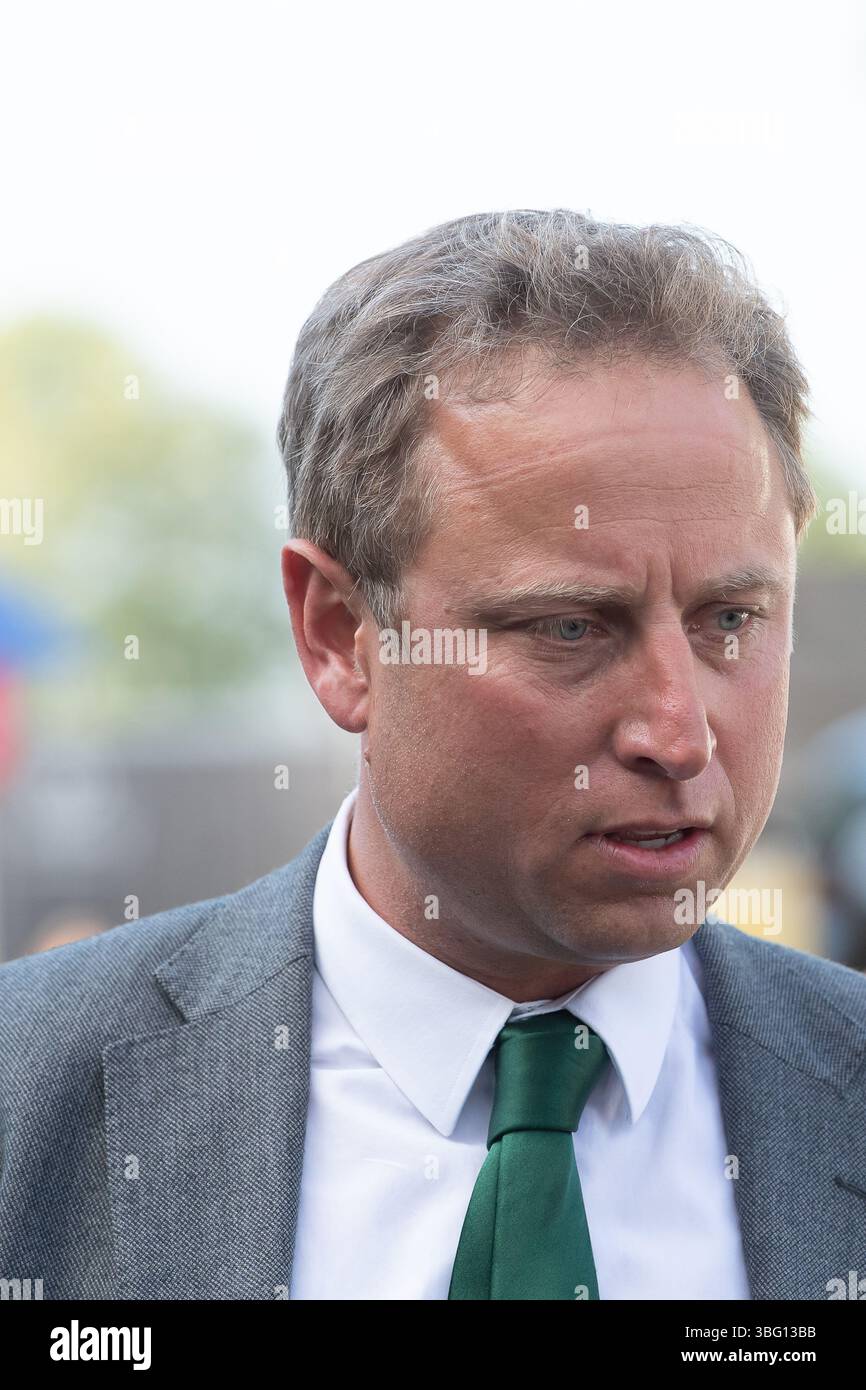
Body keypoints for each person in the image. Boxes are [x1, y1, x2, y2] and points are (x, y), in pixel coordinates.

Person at [2, 209, 865, 1302]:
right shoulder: (27, 1100)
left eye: (729, 620)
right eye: (568, 626)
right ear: (336, 634)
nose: (678, 731)